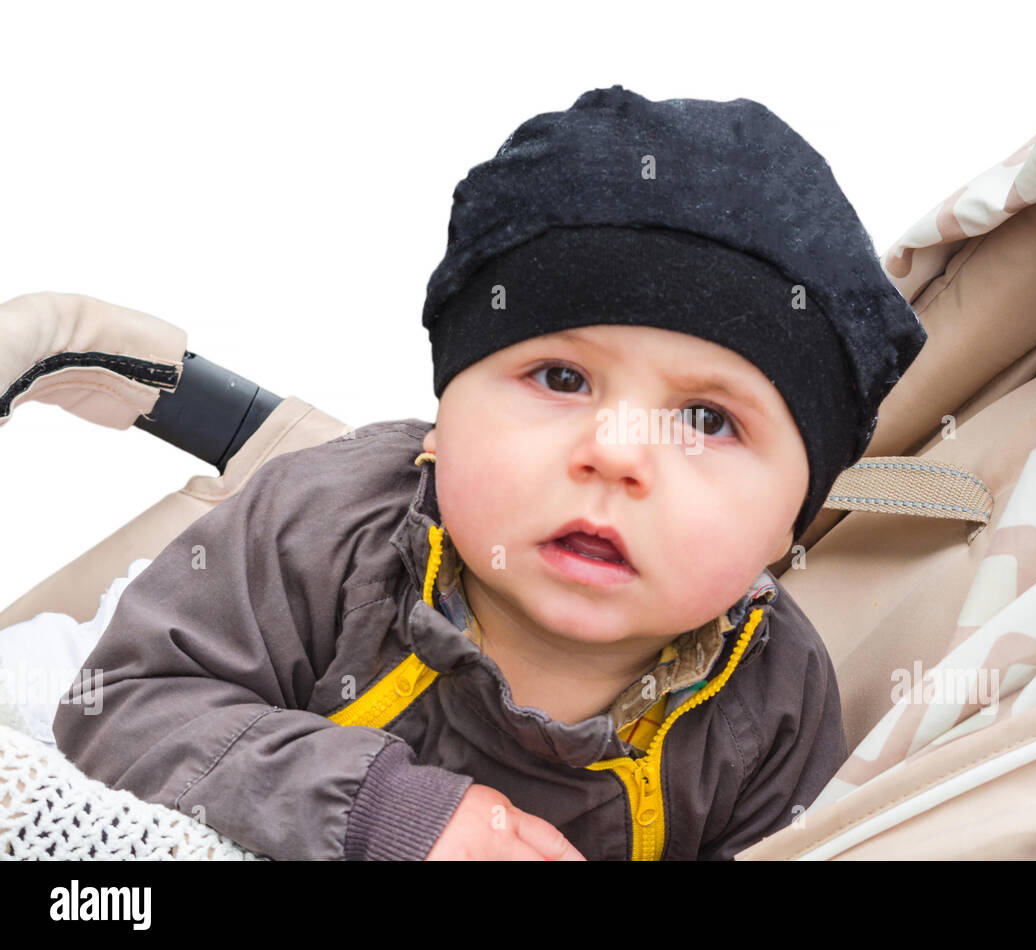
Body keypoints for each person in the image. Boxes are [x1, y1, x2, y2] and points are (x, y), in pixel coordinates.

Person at [52, 84, 927, 860]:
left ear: (788, 529)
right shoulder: (324, 529)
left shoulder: (774, 700)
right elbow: (119, 710)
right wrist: (380, 809)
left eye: (706, 421)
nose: (615, 453)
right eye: (561, 379)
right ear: (440, 423)